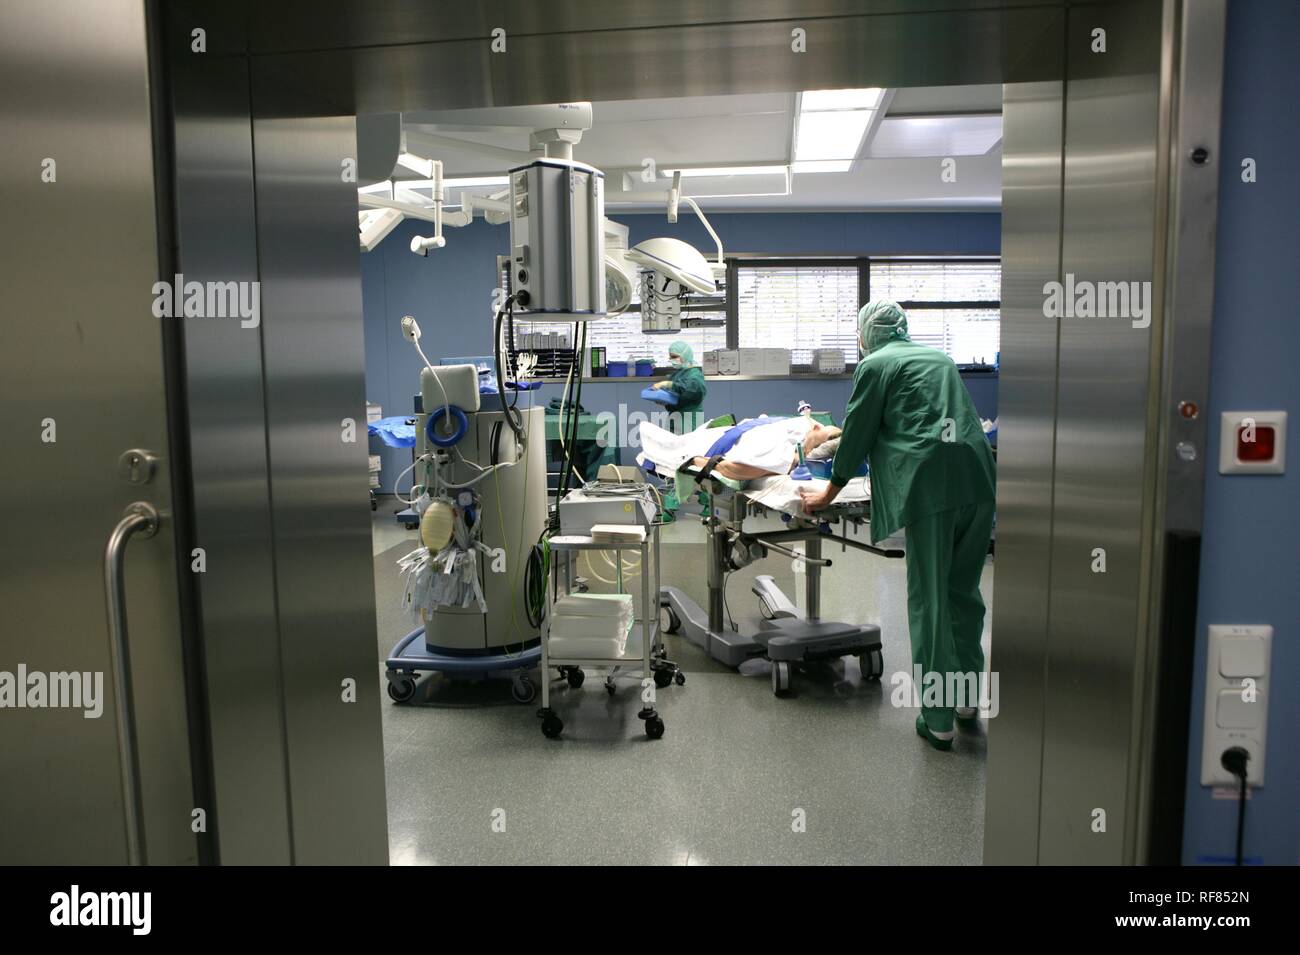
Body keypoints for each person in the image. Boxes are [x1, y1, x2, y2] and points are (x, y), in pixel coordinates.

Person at [799, 301, 996, 751]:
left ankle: (938, 719)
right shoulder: (939, 359)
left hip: (931, 488)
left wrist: (828, 492)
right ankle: (967, 701)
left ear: (866, 334)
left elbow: (858, 433)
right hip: (978, 480)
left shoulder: (874, 366)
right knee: (964, 595)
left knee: (931, 599)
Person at [652, 341, 709, 519]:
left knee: (685, 462)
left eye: (675, 356)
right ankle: (706, 500)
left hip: (689, 422)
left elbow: (690, 391)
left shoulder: (694, 375)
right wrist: (663, 399)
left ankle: (673, 506)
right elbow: (677, 397)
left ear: (685, 355)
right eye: (670, 357)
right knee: (675, 461)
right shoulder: (679, 373)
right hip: (676, 420)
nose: (672, 360)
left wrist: (667, 385)